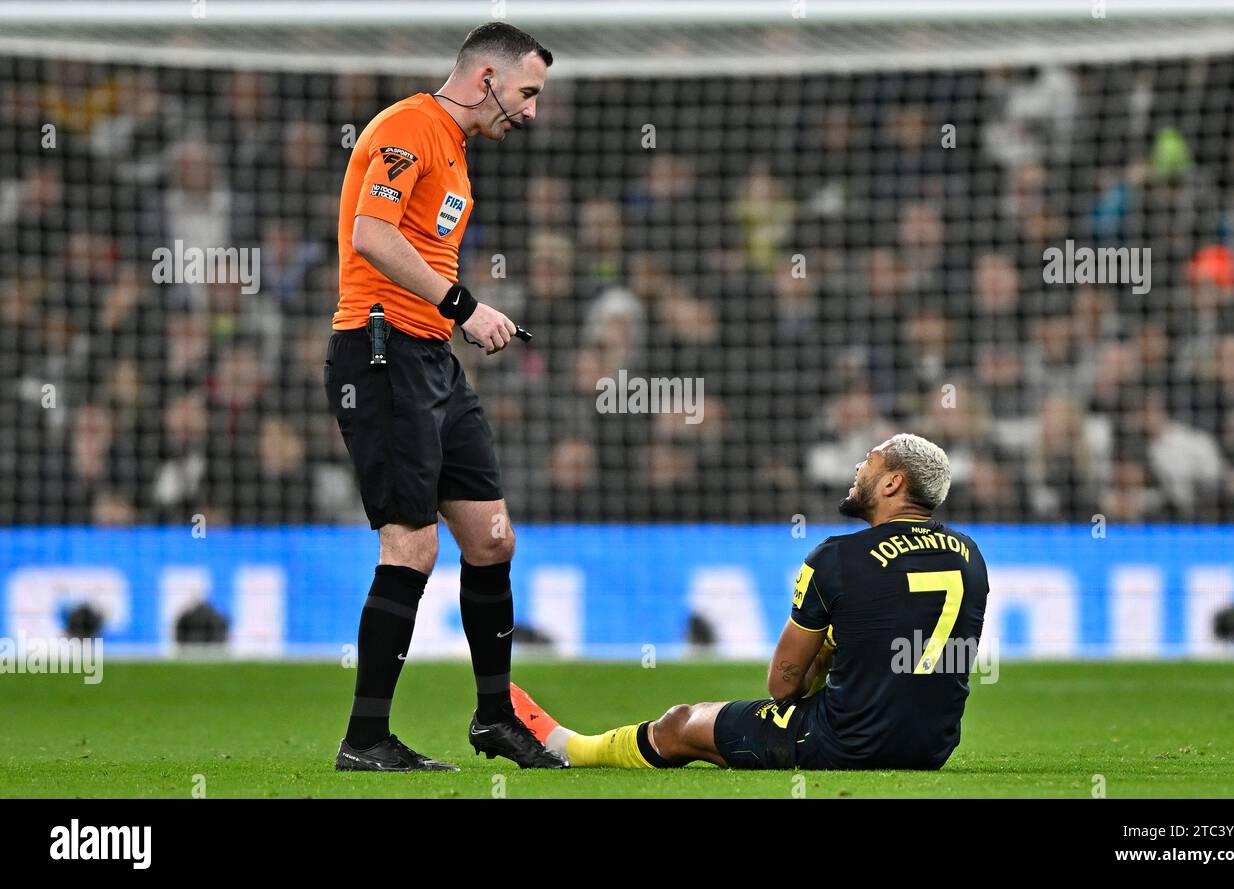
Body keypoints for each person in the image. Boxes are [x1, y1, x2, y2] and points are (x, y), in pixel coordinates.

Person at [326, 22, 564, 771]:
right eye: (526, 92)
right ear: (485, 76)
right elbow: (371, 233)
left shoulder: (455, 152)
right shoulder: (408, 127)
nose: (529, 112)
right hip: (379, 350)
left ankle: (495, 718)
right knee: (413, 543)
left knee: (492, 539)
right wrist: (465, 305)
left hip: (428, 355)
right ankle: (365, 739)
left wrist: (452, 314)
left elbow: (419, 255)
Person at [513, 433, 990, 770]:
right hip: (932, 748)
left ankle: (570, 749)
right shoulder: (972, 556)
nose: (858, 468)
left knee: (680, 723)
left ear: (892, 484)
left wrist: (826, 653)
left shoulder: (835, 558)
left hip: (843, 745)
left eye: (870, 459)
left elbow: (783, 687)